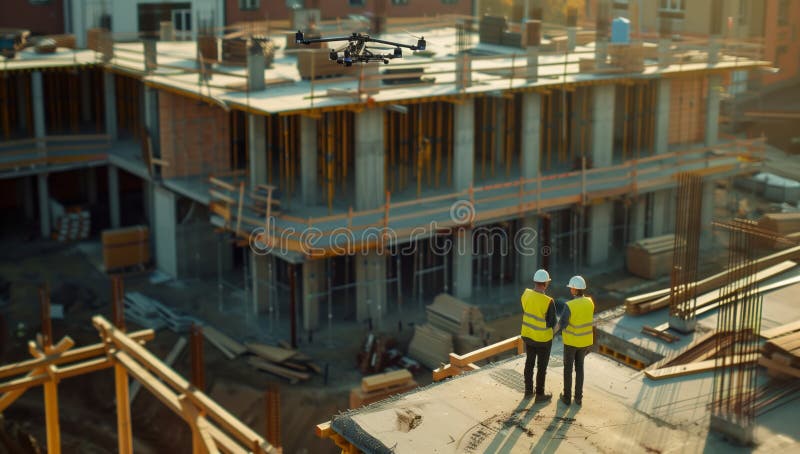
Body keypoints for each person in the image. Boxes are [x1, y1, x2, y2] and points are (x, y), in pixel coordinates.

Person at [556, 275, 594, 405]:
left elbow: (562, 324)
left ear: (575, 289)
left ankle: (567, 398)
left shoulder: (570, 305)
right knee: (580, 368)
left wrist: (550, 333)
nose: (570, 290)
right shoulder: (590, 302)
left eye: (571, 288)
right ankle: (578, 398)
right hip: (585, 342)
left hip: (571, 343)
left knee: (568, 369)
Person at [520, 269, 556, 402]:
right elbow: (552, 323)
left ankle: (528, 391)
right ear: (545, 284)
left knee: (529, 363)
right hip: (543, 340)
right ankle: (540, 394)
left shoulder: (526, 294)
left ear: (535, 282)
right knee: (541, 367)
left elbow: (526, 310)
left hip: (528, 335)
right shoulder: (548, 301)